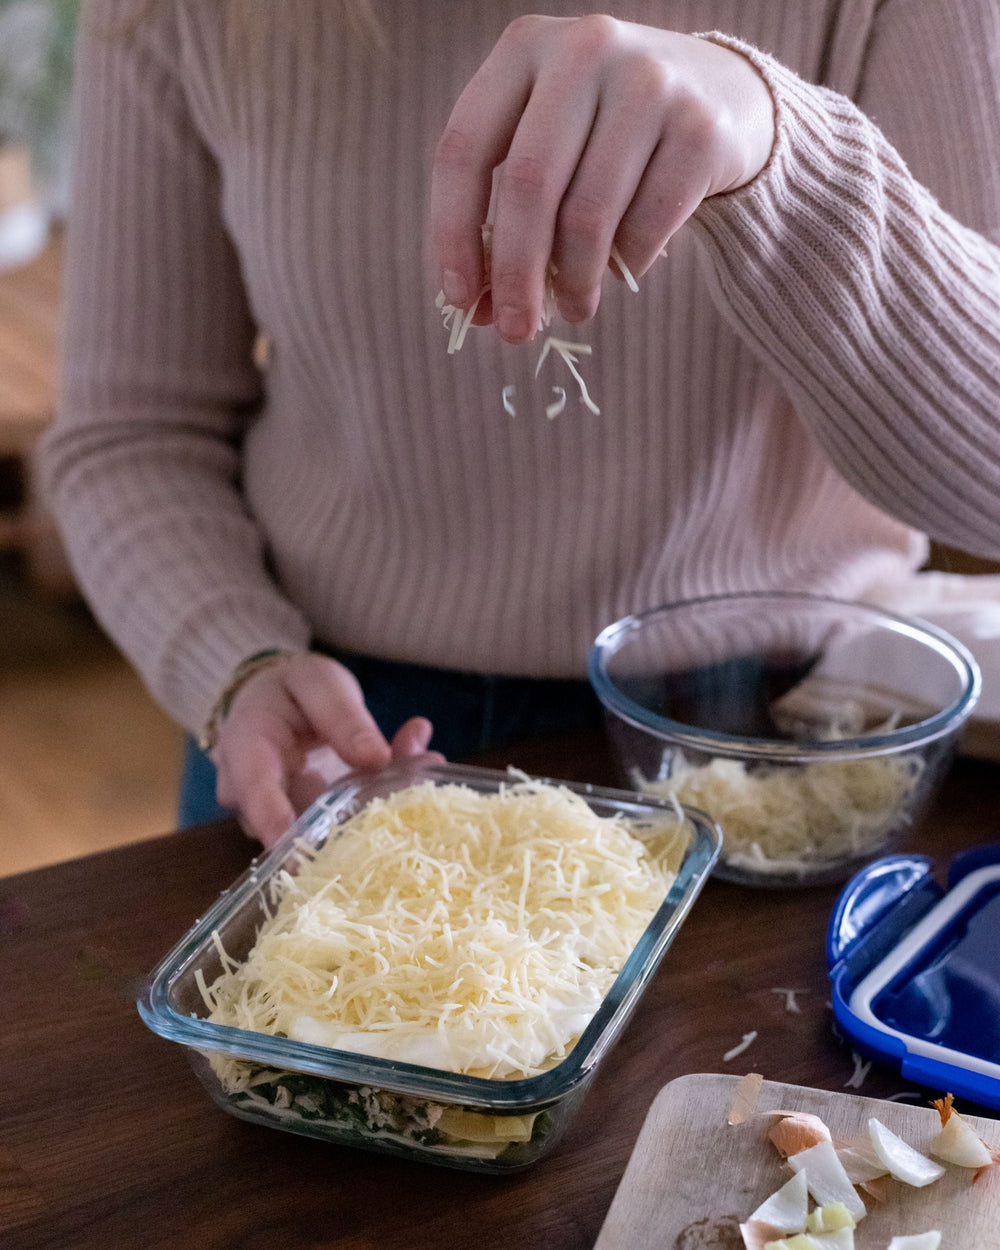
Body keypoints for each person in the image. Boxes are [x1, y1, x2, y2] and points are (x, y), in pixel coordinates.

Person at [41, 0, 1000, 846]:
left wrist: (785, 157)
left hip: (795, 734)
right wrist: (232, 660)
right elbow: (134, 432)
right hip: (340, 733)